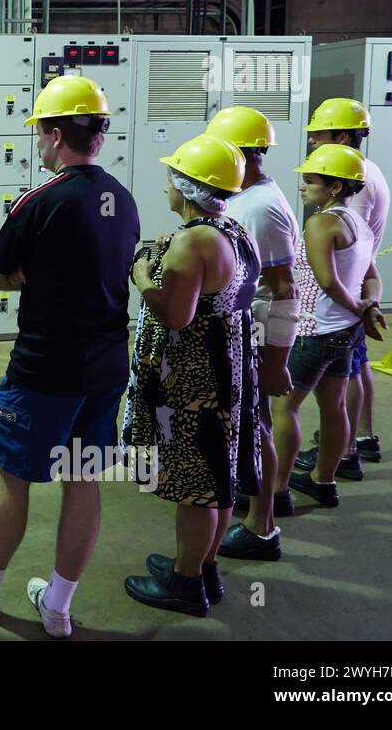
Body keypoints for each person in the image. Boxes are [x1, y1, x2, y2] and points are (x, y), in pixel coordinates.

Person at [0, 75, 139, 638]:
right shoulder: (122, 199)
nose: (38, 144)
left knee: (13, 477)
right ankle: (58, 607)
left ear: (53, 135)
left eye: (40, 134)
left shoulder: (40, 200)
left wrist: (34, 275)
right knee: (83, 479)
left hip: (45, 368)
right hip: (104, 367)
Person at [123, 134, 261, 617]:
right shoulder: (233, 231)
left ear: (184, 188)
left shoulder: (194, 240)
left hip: (196, 381)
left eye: (170, 181)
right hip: (231, 371)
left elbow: (176, 315)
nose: (166, 190)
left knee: (195, 488)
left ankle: (186, 585)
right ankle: (202, 567)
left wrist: (143, 279)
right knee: (219, 478)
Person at [204, 107, 300, 562]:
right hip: (245, 330)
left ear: (243, 153)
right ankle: (255, 500)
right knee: (249, 424)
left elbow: (284, 287)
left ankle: (261, 528)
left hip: (258, 334)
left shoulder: (263, 207)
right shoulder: (246, 196)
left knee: (257, 426)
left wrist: (278, 360)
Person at [274, 144, 387, 508]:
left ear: (335, 187)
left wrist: (358, 306)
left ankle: (275, 491)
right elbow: (371, 276)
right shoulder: (359, 223)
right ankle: (324, 481)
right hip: (345, 331)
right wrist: (367, 309)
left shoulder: (321, 222)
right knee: (334, 405)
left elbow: (328, 282)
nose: (303, 188)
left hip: (314, 331)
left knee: (284, 409)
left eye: (310, 181)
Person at [301, 99, 392, 475]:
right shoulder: (365, 172)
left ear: (341, 136)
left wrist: (361, 307)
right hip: (354, 297)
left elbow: (339, 263)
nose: (311, 143)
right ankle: (358, 440)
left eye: (317, 135)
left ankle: (348, 450)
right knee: (354, 368)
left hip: (341, 304)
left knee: (343, 377)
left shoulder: (356, 188)